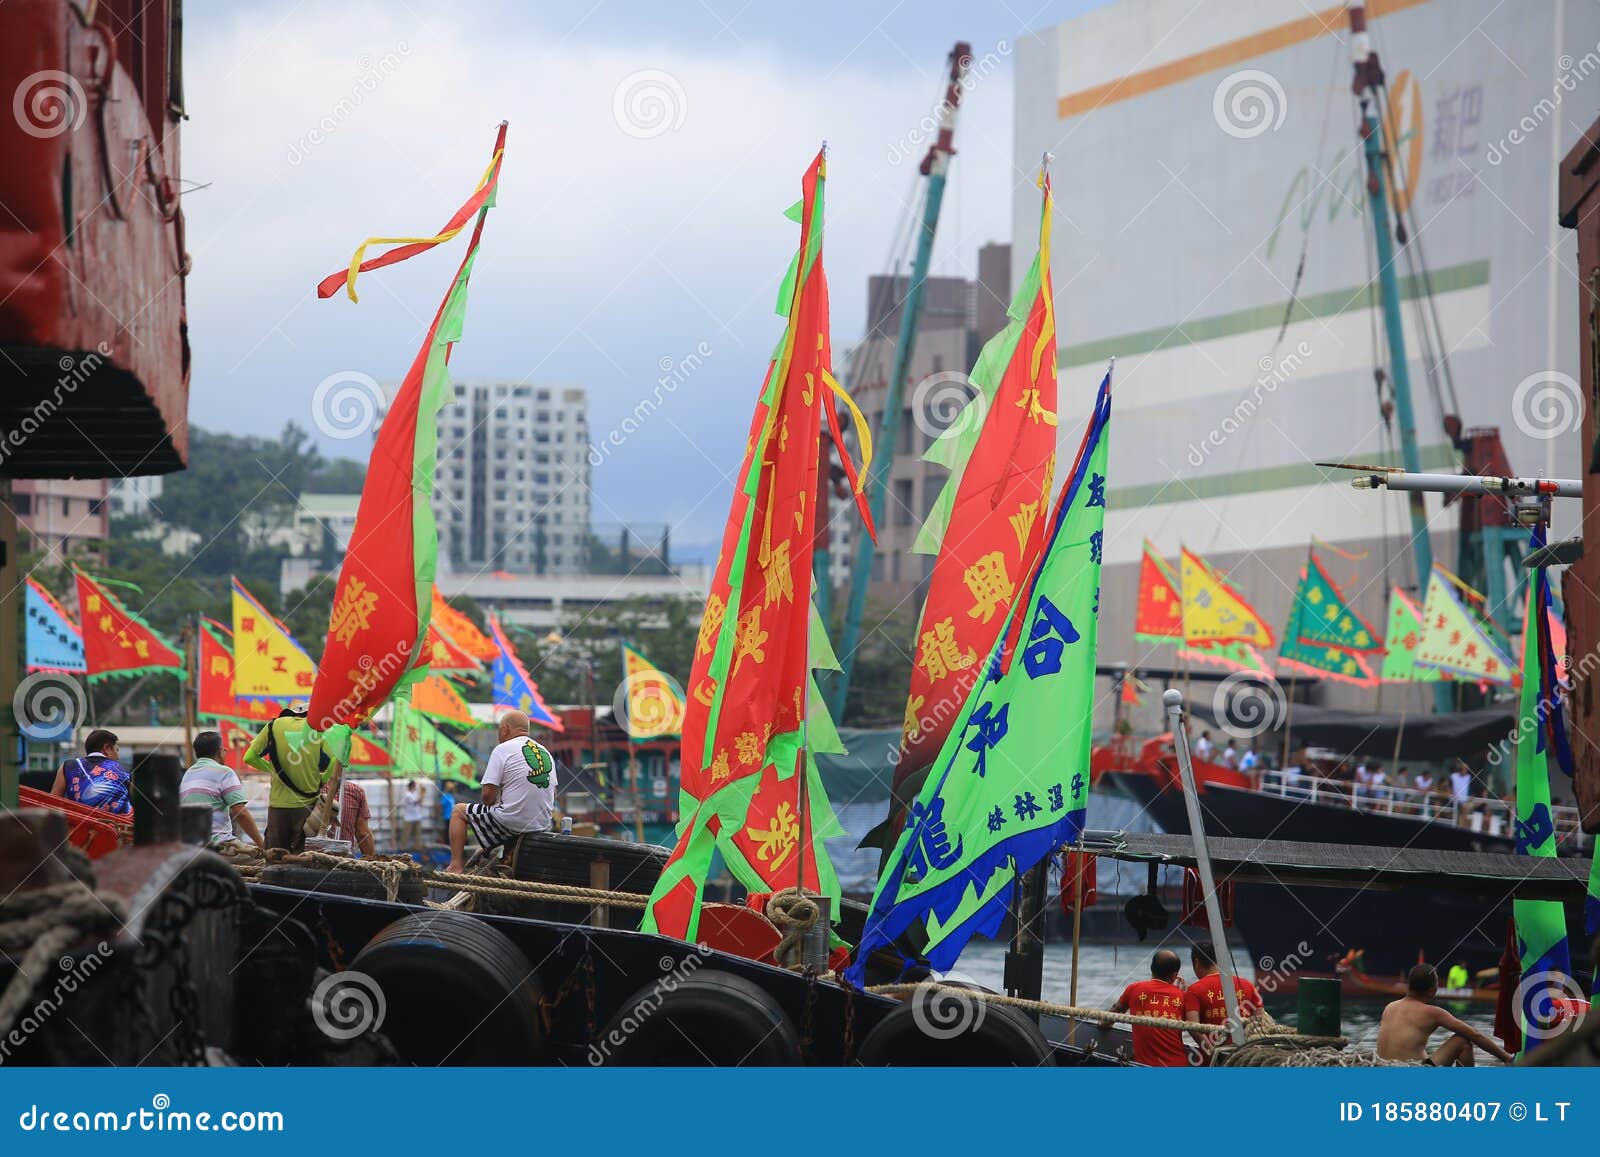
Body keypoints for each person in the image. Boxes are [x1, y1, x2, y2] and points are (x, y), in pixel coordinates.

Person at [446, 710, 557, 873]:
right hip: (541, 824)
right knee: (506, 812)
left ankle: (455, 865)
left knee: (458, 812)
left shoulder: (502, 749)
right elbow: (553, 795)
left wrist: (498, 800)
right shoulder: (544, 751)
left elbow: (487, 797)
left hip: (512, 822)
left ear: (505, 729)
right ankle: (486, 848)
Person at [243, 705, 344, 854]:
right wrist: (324, 777)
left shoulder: (273, 726)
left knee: (274, 858)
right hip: (307, 808)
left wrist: (273, 770)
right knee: (305, 860)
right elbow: (336, 758)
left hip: (278, 808)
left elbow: (249, 757)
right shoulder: (318, 729)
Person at [1376, 964, 1512, 1066]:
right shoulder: (1433, 1012)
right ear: (1432, 991)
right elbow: (1474, 1034)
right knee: (1463, 1040)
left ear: (1409, 986)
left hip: (1384, 1067)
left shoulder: (1390, 1007)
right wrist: (1506, 1058)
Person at [179, 730, 262, 848]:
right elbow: (241, 813)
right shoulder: (224, 772)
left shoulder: (188, 774)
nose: (225, 750)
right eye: (223, 748)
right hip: (218, 844)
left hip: (191, 845)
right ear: (219, 751)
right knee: (266, 862)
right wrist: (262, 845)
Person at [1183, 943, 1262, 1064]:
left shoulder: (1194, 990)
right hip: (1246, 1057)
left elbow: (1192, 1026)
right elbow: (1261, 1022)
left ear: (1196, 962)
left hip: (1212, 1060)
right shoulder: (1248, 985)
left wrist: (1213, 1052)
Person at [1111, 950, 1189, 1067]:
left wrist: (1104, 1025)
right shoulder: (1183, 996)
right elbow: (1190, 1025)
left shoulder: (1133, 989)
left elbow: (1109, 1017)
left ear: (1151, 968)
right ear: (1175, 975)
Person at [50, 729, 132, 815]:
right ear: (106, 748)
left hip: (79, 825)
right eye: (117, 750)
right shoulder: (123, 770)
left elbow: (53, 802)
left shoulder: (67, 766)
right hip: (117, 826)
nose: (118, 757)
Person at [324, 776, 376, 857]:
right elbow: (362, 833)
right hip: (344, 859)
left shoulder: (310, 789)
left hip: (310, 859)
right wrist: (372, 861)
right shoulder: (356, 791)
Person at [400, 780, 425, 848]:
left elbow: (420, 801)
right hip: (408, 818)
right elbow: (417, 801)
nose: (415, 787)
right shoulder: (408, 795)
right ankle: (403, 848)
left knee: (418, 834)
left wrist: (422, 791)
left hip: (417, 816)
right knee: (406, 835)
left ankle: (417, 847)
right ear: (411, 786)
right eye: (414, 786)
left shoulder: (415, 793)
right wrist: (423, 793)